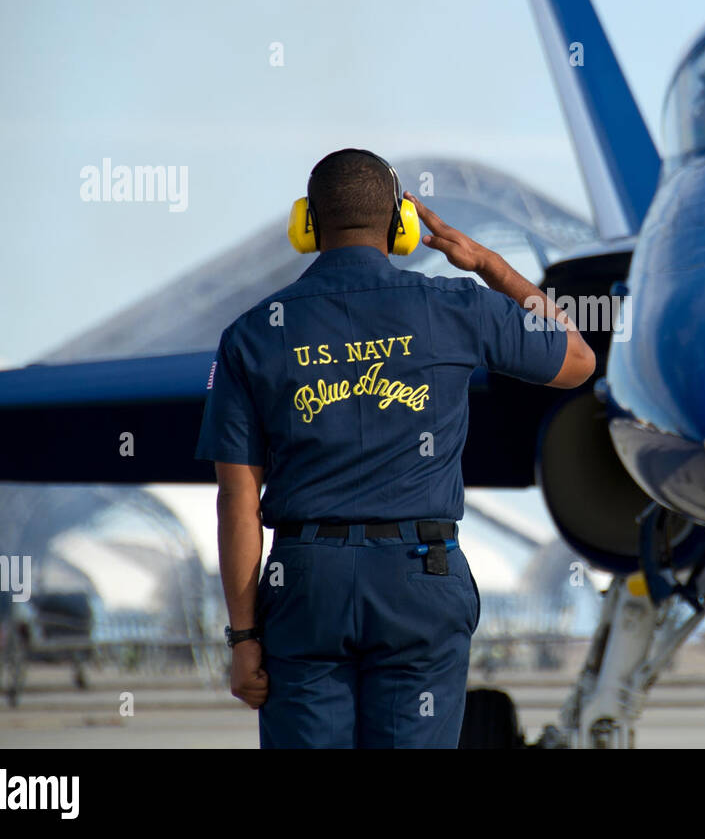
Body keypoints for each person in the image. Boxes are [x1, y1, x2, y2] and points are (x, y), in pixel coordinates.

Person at [194, 148, 594, 748]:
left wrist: (244, 638)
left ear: (307, 225)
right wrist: (489, 265)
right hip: (419, 581)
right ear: (401, 226)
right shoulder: (454, 306)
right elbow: (577, 361)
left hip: (306, 583)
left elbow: (237, 502)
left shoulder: (253, 333)